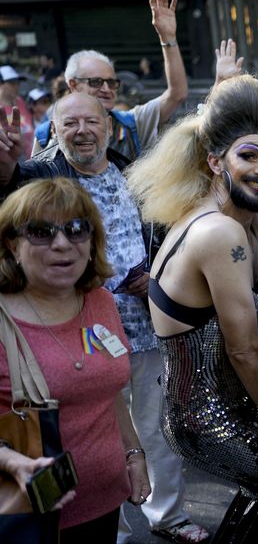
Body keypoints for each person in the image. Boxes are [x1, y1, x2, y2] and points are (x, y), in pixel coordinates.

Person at [0, 92, 211, 543]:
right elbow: (9, 188)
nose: (82, 131)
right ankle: (115, 528)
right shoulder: (39, 176)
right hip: (64, 329)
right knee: (79, 422)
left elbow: (164, 234)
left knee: (153, 428)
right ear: (54, 132)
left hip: (141, 325)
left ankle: (165, 515)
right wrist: (7, 161)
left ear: (110, 127)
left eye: (91, 121)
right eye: (69, 123)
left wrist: (158, 278)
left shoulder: (132, 172)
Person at [126, 75, 258, 539]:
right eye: (249, 155)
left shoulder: (240, 221)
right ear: (215, 161)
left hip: (223, 409)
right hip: (207, 419)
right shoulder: (219, 232)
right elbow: (245, 350)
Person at [0, 178, 150, 541]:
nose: (62, 243)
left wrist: (133, 454)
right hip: (26, 516)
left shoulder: (100, 302)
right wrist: (11, 462)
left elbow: (107, 389)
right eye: (41, 232)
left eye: (76, 229)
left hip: (105, 502)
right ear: (12, 245)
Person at [34, 0, 189, 160]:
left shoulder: (132, 124)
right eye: (96, 82)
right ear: (73, 85)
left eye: (111, 82)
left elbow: (177, 94)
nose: (107, 89)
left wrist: (168, 38)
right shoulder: (46, 135)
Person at [0, 65, 34, 160]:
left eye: (18, 83)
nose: (16, 86)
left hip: (31, 159)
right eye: (12, 83)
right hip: (9, 160)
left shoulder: (20, 101)